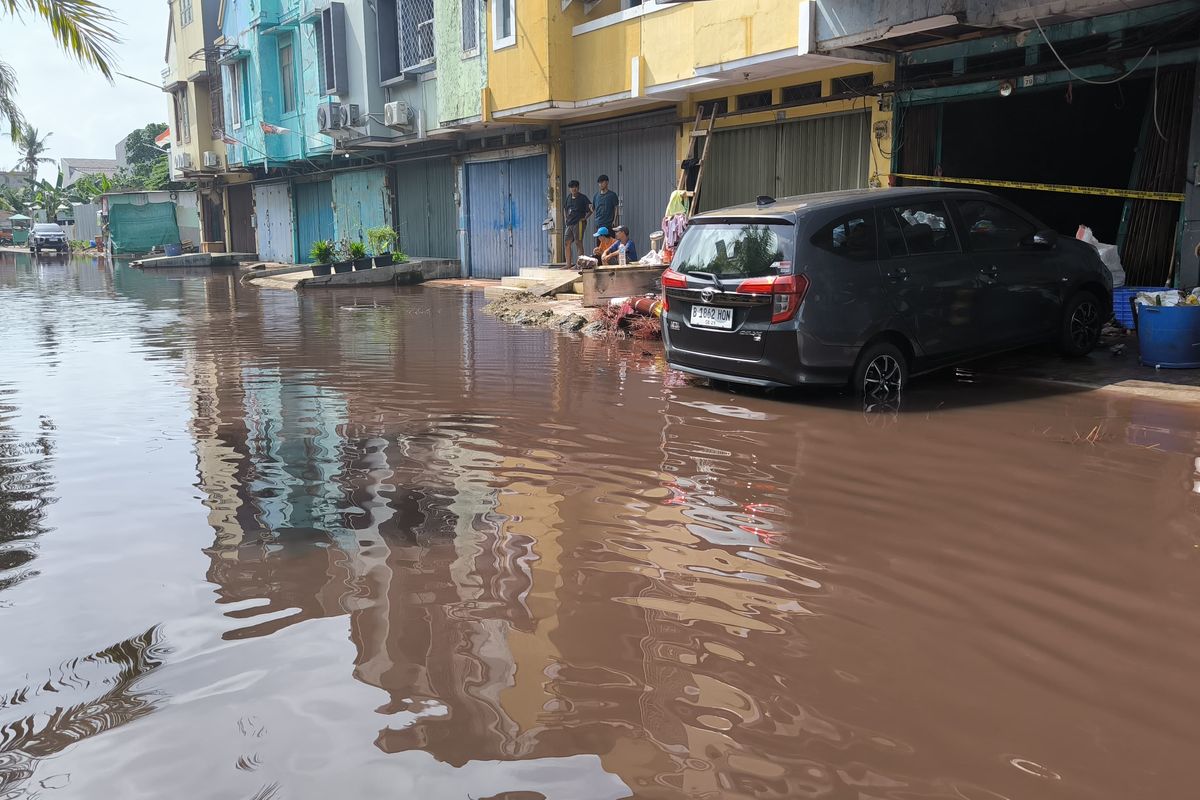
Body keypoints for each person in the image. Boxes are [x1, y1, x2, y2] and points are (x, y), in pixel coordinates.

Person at [563, 179, 592, 265]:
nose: (573, 189)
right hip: (569, 223)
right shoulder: (568, 197)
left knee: (578, 242)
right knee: (566, 242)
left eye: (575, 187)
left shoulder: (583, 198)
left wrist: (585, 218)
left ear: (578, 188)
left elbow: (591, 210)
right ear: (569, 189)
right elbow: (565, 208)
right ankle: (568, 264)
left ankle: (580, 265)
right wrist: (565, 218)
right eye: (571, 187)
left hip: (579, 223)